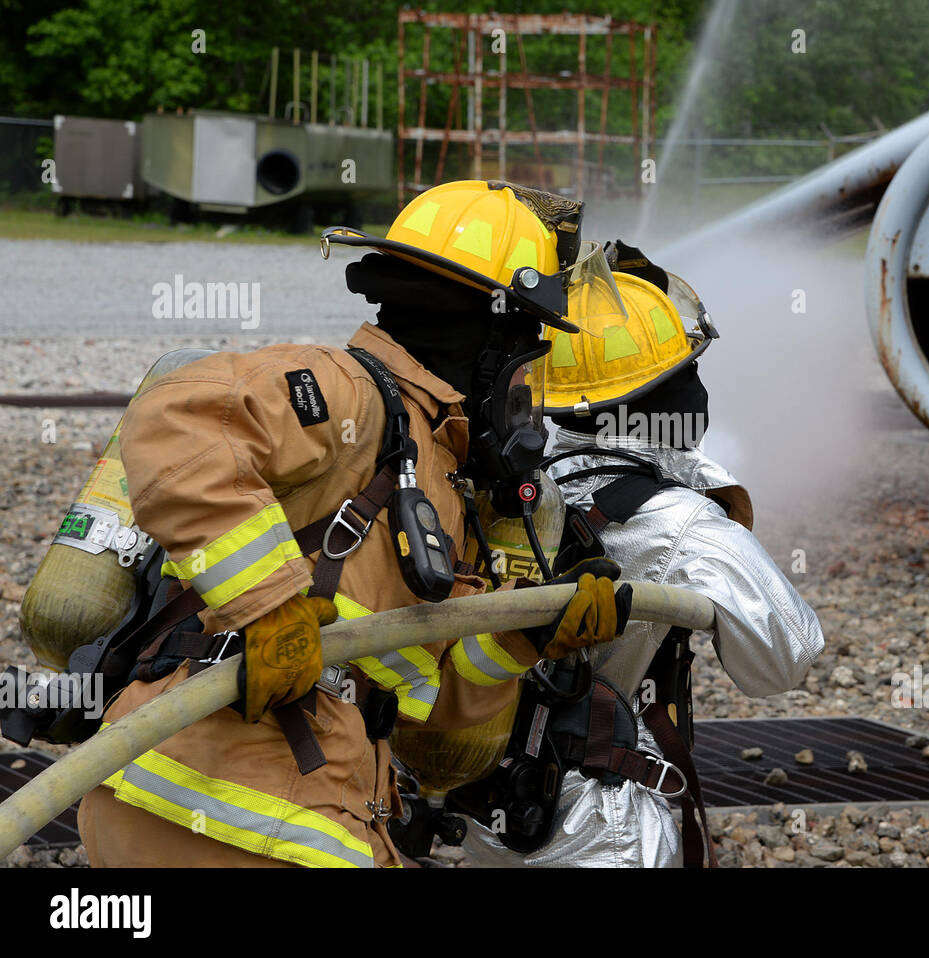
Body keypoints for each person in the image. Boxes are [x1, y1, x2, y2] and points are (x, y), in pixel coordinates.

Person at [77, 180, 628, 868]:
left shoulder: (434, 468)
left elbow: (427, 691)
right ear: (491, 341)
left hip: (299, 808)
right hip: (230, 811)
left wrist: (527, 636)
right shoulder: (348, 393)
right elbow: (177, 419)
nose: (523, 395)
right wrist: (269, 605)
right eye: (524, 360)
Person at [458, 242, 825, 867]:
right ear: (672, 392)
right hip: (597, 825)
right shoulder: (678, 523)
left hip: (484, 806)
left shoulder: (506, 486)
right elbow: (782, 662)